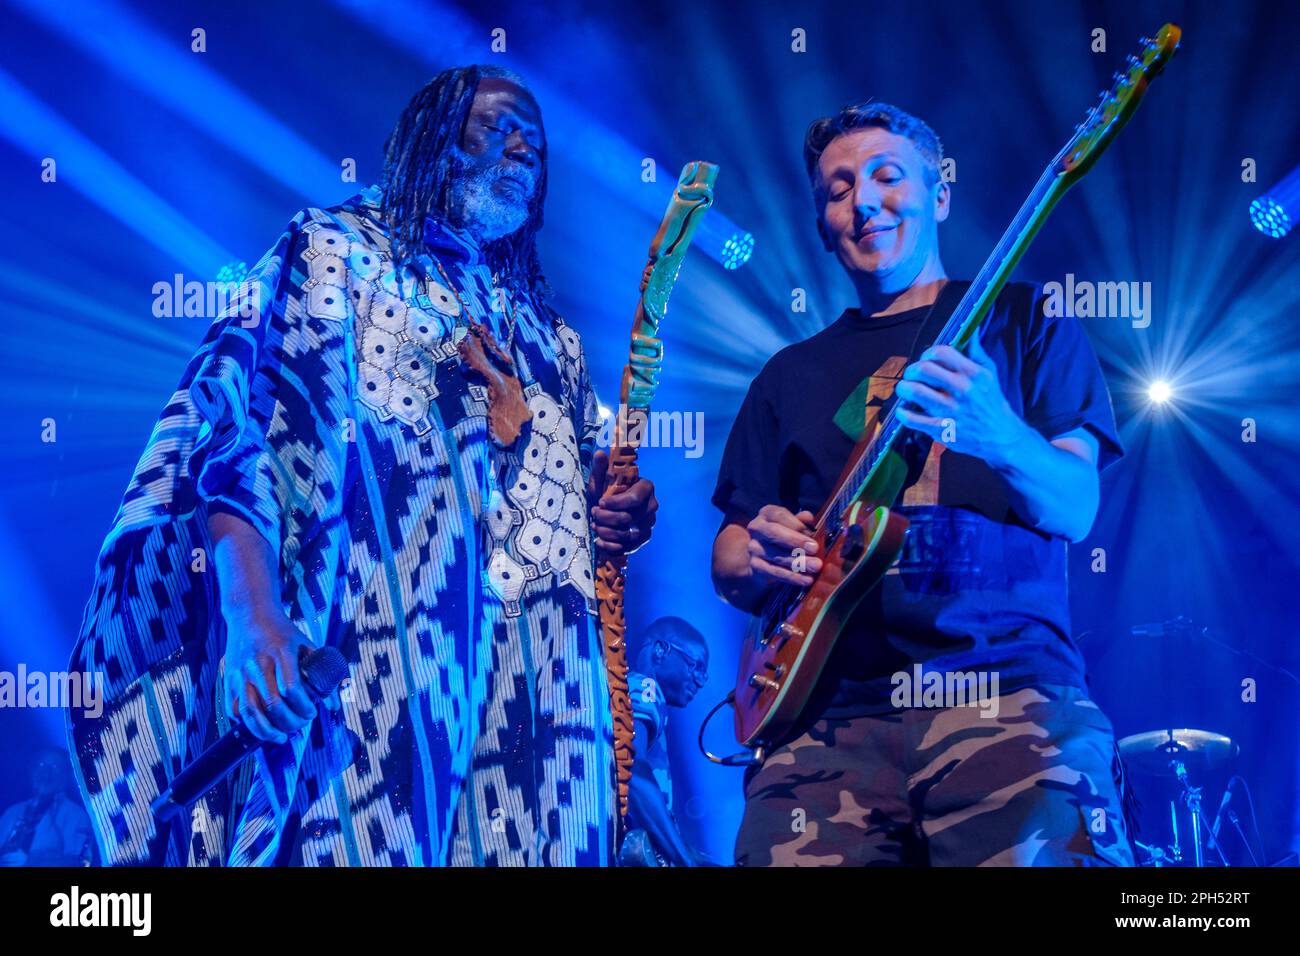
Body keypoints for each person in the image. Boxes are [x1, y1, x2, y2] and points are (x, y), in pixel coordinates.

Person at [68, 64, 657, 867]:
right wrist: (253, 617)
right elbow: (238, 432)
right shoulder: (338, 253)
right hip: (380, 679)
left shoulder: (547, 334)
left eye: (538, 141)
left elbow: (563, 511)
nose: (525, 147)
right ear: (436, 141)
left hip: (534, 704)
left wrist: (610, 515)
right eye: (501, 127)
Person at [711, 102, 1133, 866]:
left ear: (939, 194)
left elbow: (1075, 507)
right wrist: (757, 557)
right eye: (837, 190)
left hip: (1005, 698)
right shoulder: (786, 376)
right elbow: (731, 552)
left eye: (885, 177)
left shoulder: (1025, 318)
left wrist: (999, 434)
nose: (862, 200)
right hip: (819, 726)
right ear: (822, 224)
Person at [621, 616, 711, 866]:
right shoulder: (646, 687)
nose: (701, 681)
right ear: (661, 650)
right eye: (696, 666)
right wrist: (683, 861)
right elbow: (631, 770)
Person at [0, 747, 94, 867]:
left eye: (55, 767)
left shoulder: (75, 815)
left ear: (65, 778)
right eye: (41, 764)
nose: (46, 773)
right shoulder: (12, 812)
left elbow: (82, 862)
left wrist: (32, 862)